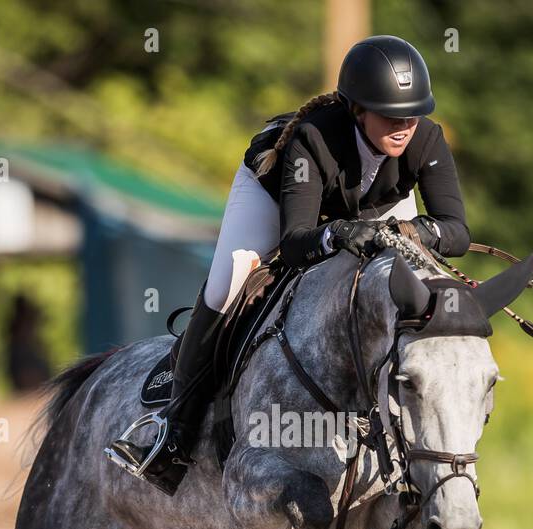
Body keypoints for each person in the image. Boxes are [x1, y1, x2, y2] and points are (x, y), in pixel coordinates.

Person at [107, 35, 471, 495]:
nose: (404, 125)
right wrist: (334, 233)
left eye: (412, 113)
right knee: (228, 282)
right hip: (273, 195)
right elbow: (296, 243)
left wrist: (414, 232)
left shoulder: (427, 139)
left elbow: (457, 230)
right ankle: (172, 429)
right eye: (390, 114)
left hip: (377, 208)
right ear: (357, 109)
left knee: (405, 287)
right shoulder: (314, 137)